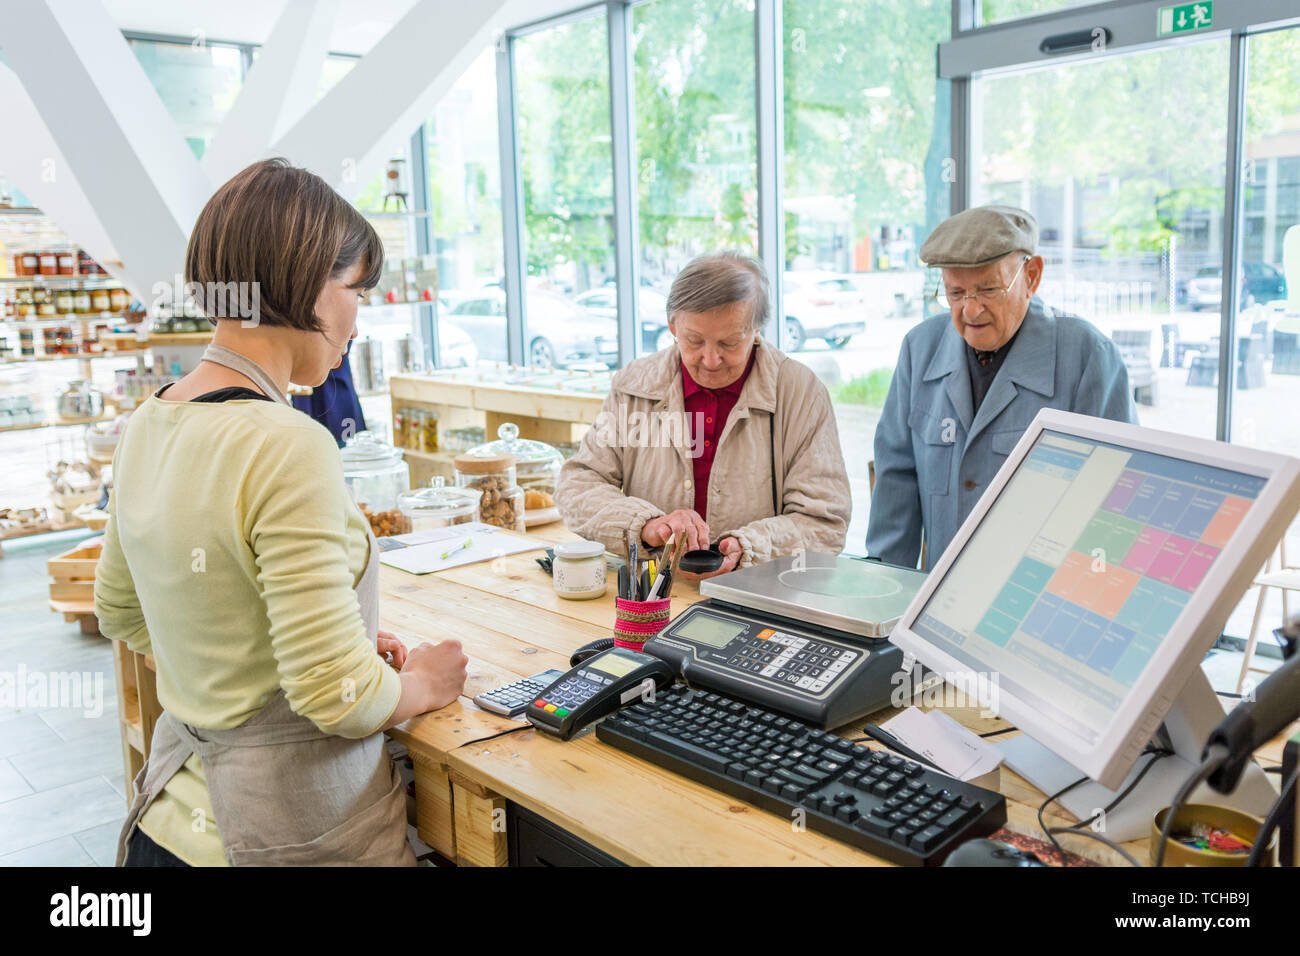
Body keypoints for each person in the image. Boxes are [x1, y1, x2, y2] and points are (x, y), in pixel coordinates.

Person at [95, 158, 468, 867]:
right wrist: (420, 684)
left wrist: (285, 644)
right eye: (356, 290)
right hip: (286, 834)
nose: (357, 319)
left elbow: (123, 611)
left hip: (167, 826)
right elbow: (337, 696)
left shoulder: (148, 421)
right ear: (311, 288)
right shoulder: (289, 442)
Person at [866, 204, 1136, 569]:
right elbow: (896, 482)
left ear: (1032, 275)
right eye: (955, 293)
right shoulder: (920, 349)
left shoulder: (1089, 358)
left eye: (988, 289)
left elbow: (1113, 501)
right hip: (938, 603)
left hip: (1039, 604)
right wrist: (889, 594)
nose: (971, 310)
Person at [556, 252, 850, 578]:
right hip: (651, 594)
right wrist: (648, 524)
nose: (710, 360)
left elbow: (824, 522)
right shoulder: (634, 385)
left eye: (729, 342)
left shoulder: (800, 392)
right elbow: (577, 487)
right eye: (694, 340)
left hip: (759, 595)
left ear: (756, 330)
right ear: (672, 325)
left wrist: (749, 546)